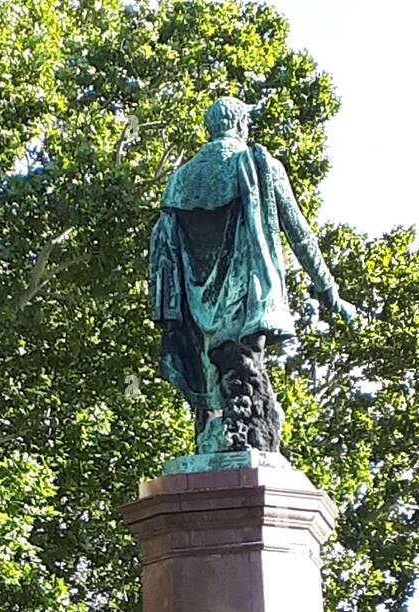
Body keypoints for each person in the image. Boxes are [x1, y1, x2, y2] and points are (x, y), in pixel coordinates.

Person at [149, 95, 355, 455]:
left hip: (196, 312)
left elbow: (166, 254)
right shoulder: (258, 165)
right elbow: (299, 233)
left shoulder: (179, 182)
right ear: (242, 125)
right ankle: (239, 450)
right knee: (245, 383)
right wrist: (329, 290)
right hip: (245, 303)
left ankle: (215, 450)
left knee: (217, 390)